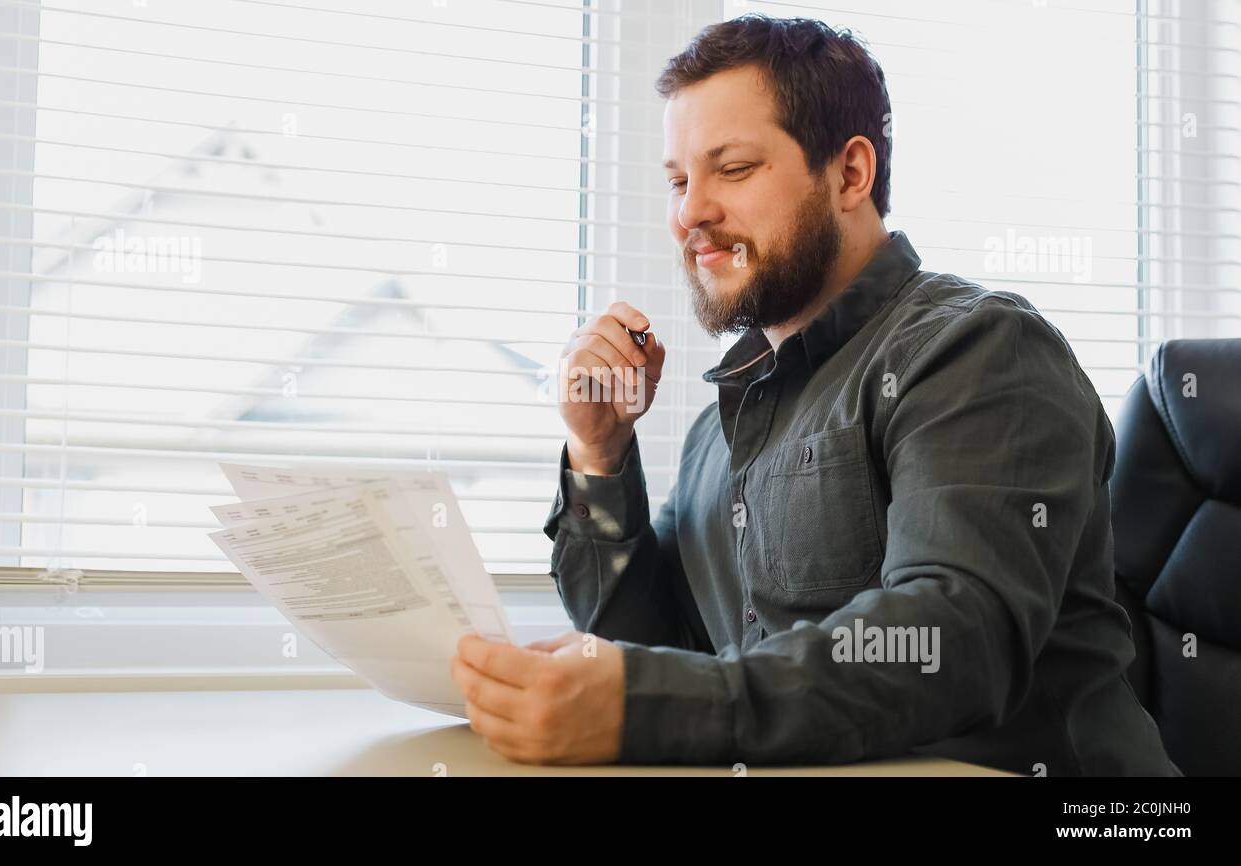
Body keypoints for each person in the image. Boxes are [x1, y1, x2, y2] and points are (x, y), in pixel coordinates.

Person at [449, 13, 1179, 776]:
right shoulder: (717, 429)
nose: (689, 212)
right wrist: (599, 452)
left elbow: (953, 639)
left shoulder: (981, 350)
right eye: (677, 180)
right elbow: (657, 648)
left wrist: (646, 704)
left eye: (731, 169)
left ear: (850, 175)